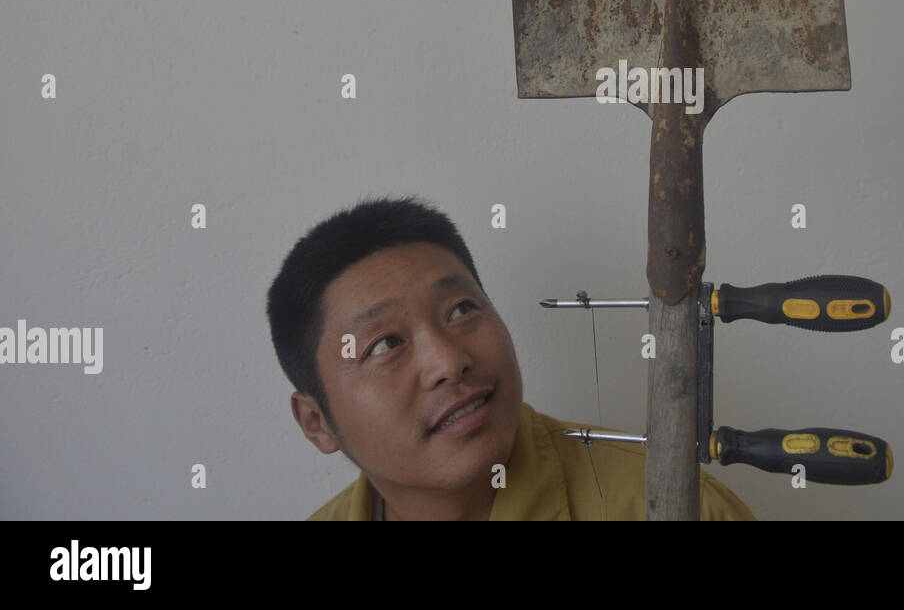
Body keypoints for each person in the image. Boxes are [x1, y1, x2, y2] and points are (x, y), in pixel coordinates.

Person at [266, 195, 755, 520]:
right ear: (316, 422)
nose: (448, 361)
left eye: (461, 309)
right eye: (385, 345)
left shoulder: (672, 507)